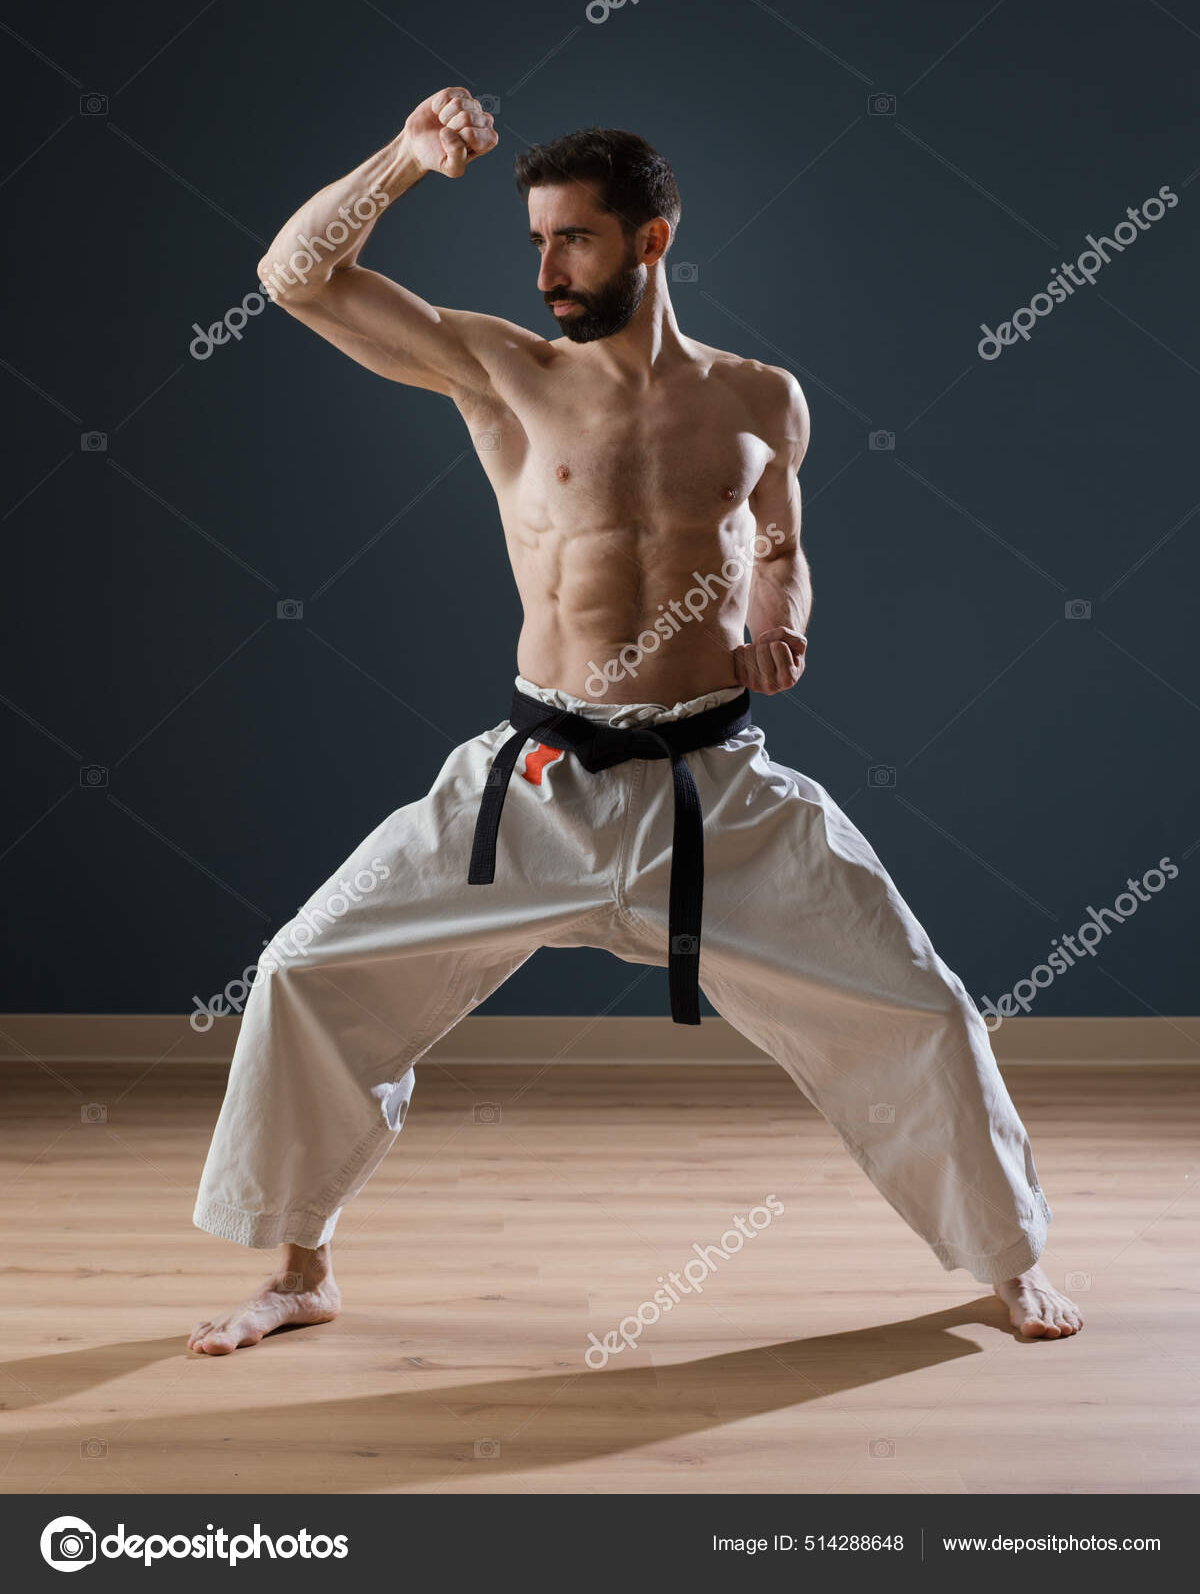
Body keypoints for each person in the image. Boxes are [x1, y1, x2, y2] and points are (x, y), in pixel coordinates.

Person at [187, 88, 1082, 1356]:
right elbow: (293, 276)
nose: (547, 268)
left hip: (715, 787)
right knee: (308, 971)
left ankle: (1008, 1257)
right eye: (538, 241)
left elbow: (780, 546)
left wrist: (785, 610)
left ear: (652, 239)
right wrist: (402, 158)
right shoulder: (500, 370)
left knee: (921, 1009)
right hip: (536, 781)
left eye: (577, 240)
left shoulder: (763, 397)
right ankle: (299, 1266)